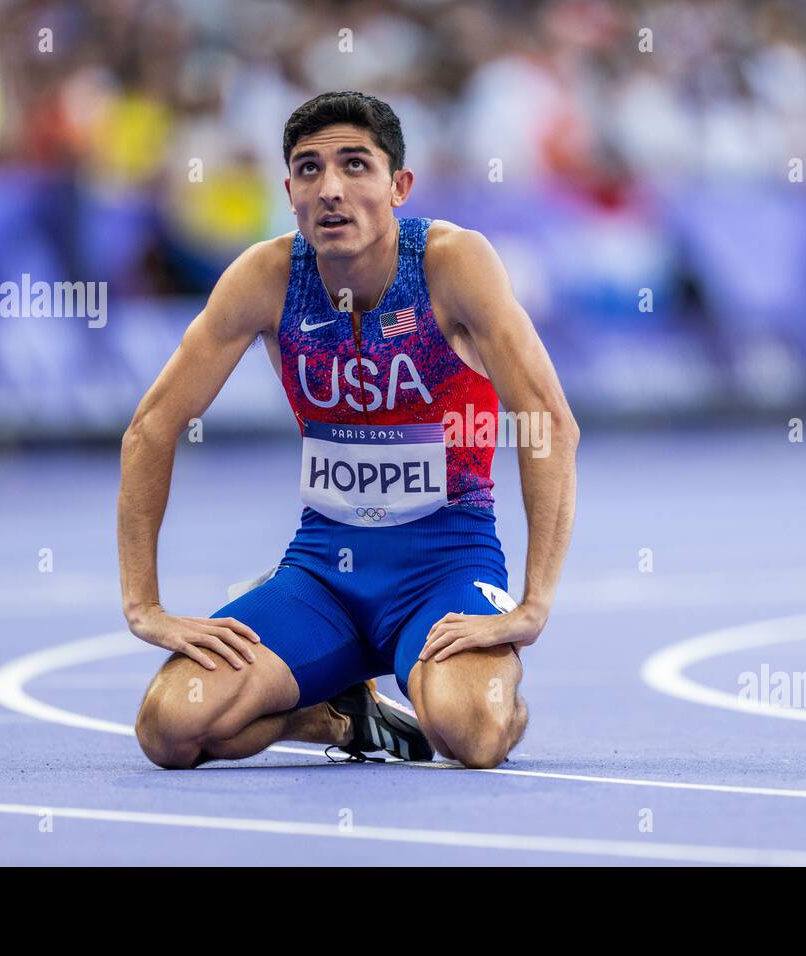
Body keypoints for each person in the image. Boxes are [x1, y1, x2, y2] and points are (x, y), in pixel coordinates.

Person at [119, 91, 578, 770]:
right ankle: (335, 715)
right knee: (169, 728)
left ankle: (481, 697)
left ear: (399, 186)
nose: (330, 189)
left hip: (446, 567)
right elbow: (152, 428)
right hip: (323, 575)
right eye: (309, 169)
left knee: (472, 733)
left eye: (355, 165)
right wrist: (144, 606)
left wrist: (534, 603)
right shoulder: (266, 277)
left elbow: (548, 422)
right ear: (289, 193)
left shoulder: (453, 264)